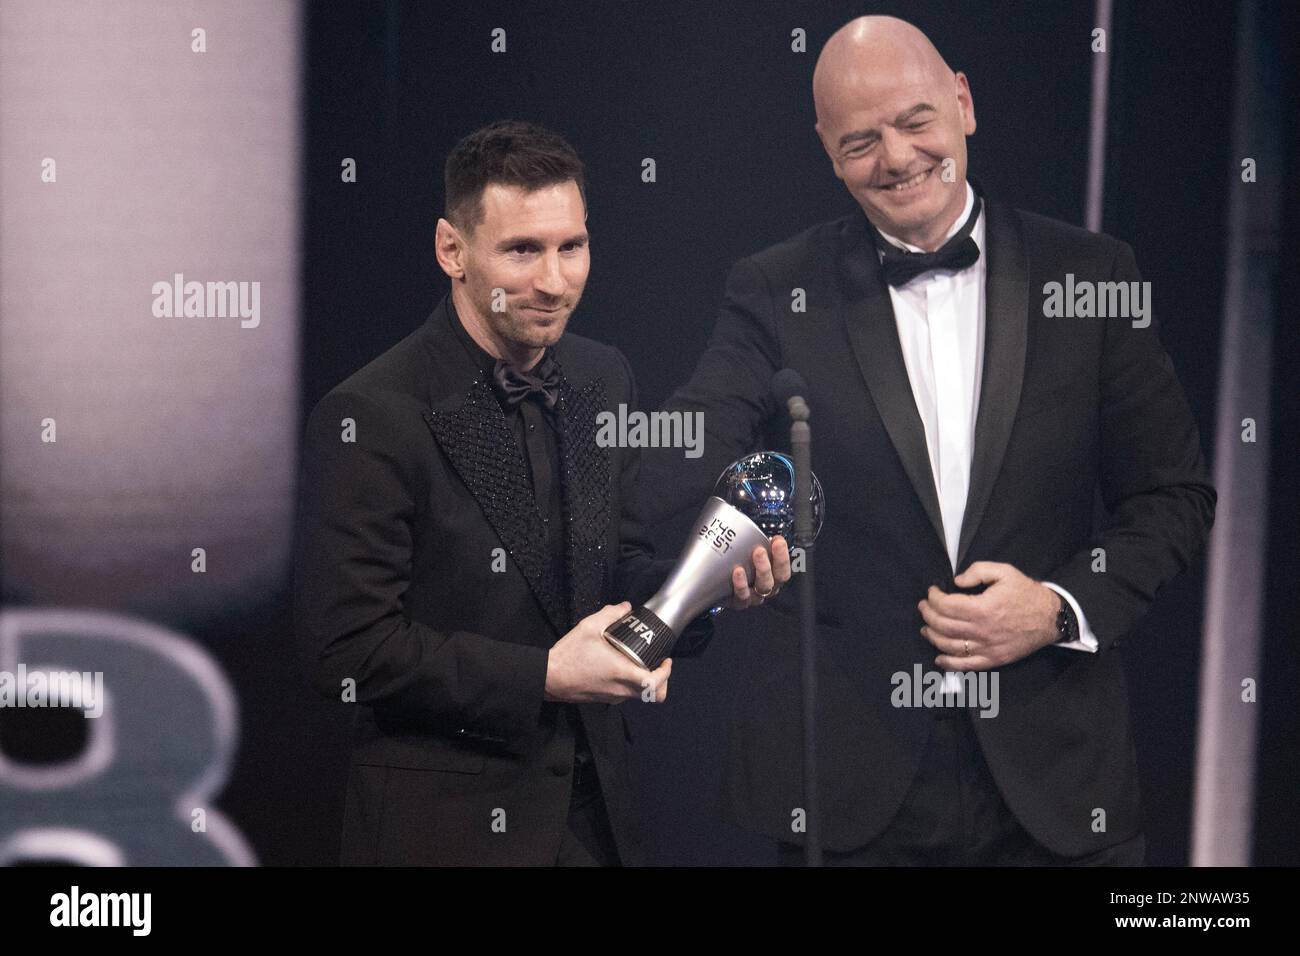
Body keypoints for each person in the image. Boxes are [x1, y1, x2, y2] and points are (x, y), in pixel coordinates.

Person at [640, 17, 1215, 865]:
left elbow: (1173, 498)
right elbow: (695, 448)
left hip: (1056, 786)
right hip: (847, 792)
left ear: (964, 101)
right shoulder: (774, 289)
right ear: (829, 152)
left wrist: (1057, 608)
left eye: (915, 121)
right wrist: (674, 565)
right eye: (862, 140)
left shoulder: (1091, 275)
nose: (898, 157)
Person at [292, 120, 790, 866]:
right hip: (441, 833)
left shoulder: (600, 376)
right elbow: (349, 652)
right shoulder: (371, 414)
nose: (554, 282)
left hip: (595, 825)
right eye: (522, 251)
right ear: (451, 251)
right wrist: (546, 677)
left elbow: (614, 568)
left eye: (571, 247)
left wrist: (704, 590)